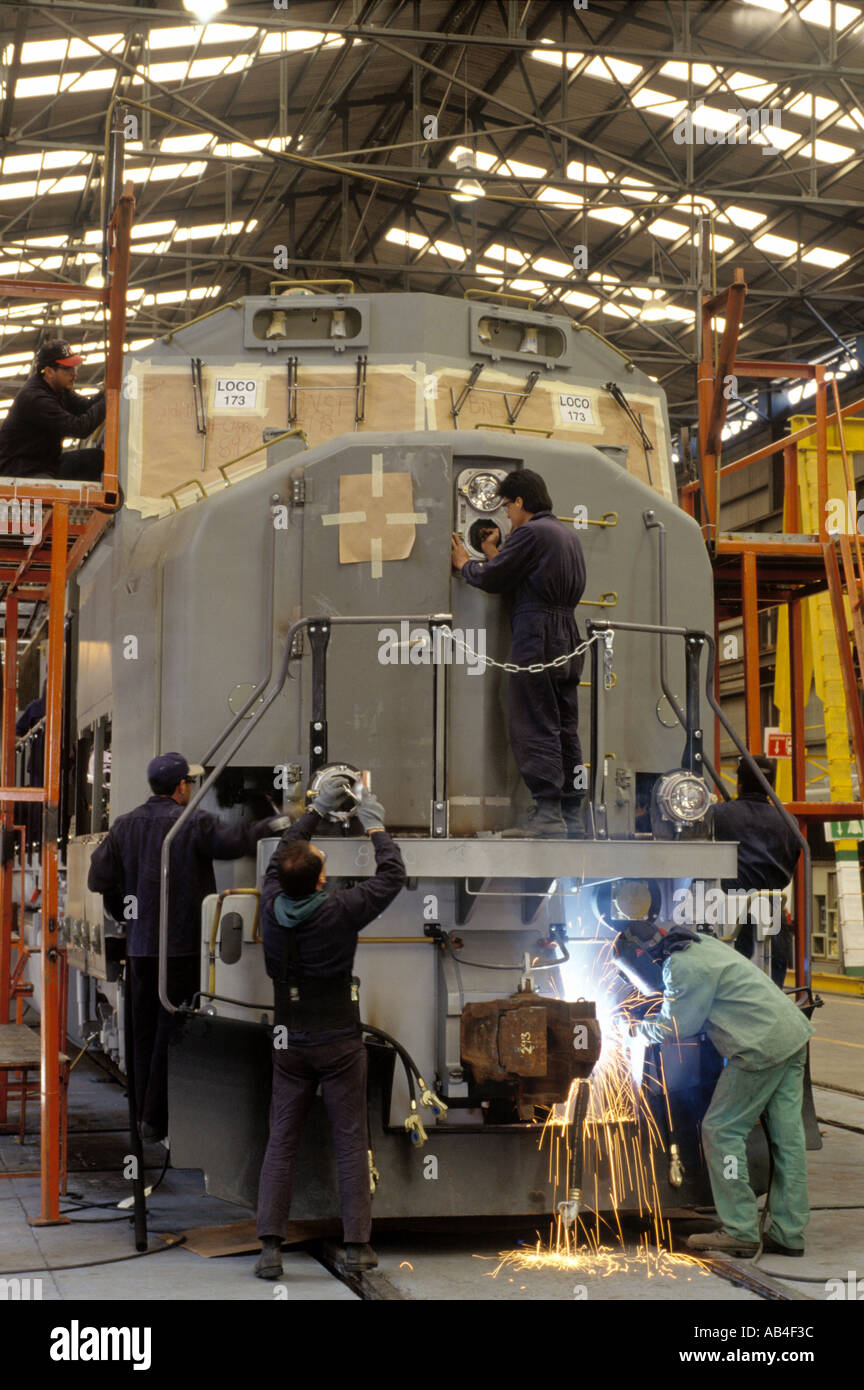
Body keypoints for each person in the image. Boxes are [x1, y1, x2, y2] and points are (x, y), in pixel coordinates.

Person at [88, 752, 286, 1142]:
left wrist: (123, 908)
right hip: (182, 949)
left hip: (141, 949)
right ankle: (158, 1120)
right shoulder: (191, 822)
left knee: (142, 1032)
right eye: (190, 784)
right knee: (171, 1030)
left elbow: (99, 878)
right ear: (181, 788)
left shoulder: (125, 826)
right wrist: (279, 823)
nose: (191, 789)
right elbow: (235, 841)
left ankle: (143, 1111)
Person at [254, 776, 406, 1280]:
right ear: (322, 880)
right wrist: (375, 825)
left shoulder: (271, 906)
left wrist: (314, 810)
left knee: (282, 1139)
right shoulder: (341, 910)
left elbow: (281, 855)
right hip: (339, 1039)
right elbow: (391, 876)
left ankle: (270, 1248)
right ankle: (358, 1245)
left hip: (288, 1039)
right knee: (349, 1137)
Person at [613, 901, 813, 1258]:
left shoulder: (680, 967)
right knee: (788, 1138)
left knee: (721, 1130)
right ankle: (789, 1232)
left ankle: (740, 1229)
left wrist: (631, 1028)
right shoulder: (699, 944)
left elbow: (677, 1026)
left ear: (645, 959)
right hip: (792, 1034)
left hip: (760, 1048)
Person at [450, 468, 587, 838]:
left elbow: (495, 578)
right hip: (567, 636)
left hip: (537, 634)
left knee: (534, 719)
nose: (507, 514)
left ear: (521, 502)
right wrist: (495, 550)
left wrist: (467, 565)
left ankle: (546, 816)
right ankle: (572, 813)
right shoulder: (565, 535)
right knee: (564, 725)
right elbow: (523, 572)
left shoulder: (531, 532)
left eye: (508, 505)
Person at [708, 755, 800, 974]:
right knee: (771, 994)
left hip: (732, 920)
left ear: (739, 783)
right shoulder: (790, 822)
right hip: (773, 915)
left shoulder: (719, 815)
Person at [0, 340, 105, 482]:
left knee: (95, 458)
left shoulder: (58, 388)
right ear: (49, 371)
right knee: (47, 487)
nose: (74, 374)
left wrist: (108, 390)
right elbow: (80, 428)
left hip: (46, 464)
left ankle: (92, 503)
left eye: (75, 367)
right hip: (21, 471)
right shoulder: (36, 398)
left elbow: (85, 407)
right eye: (68, 369)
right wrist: (109, 399)